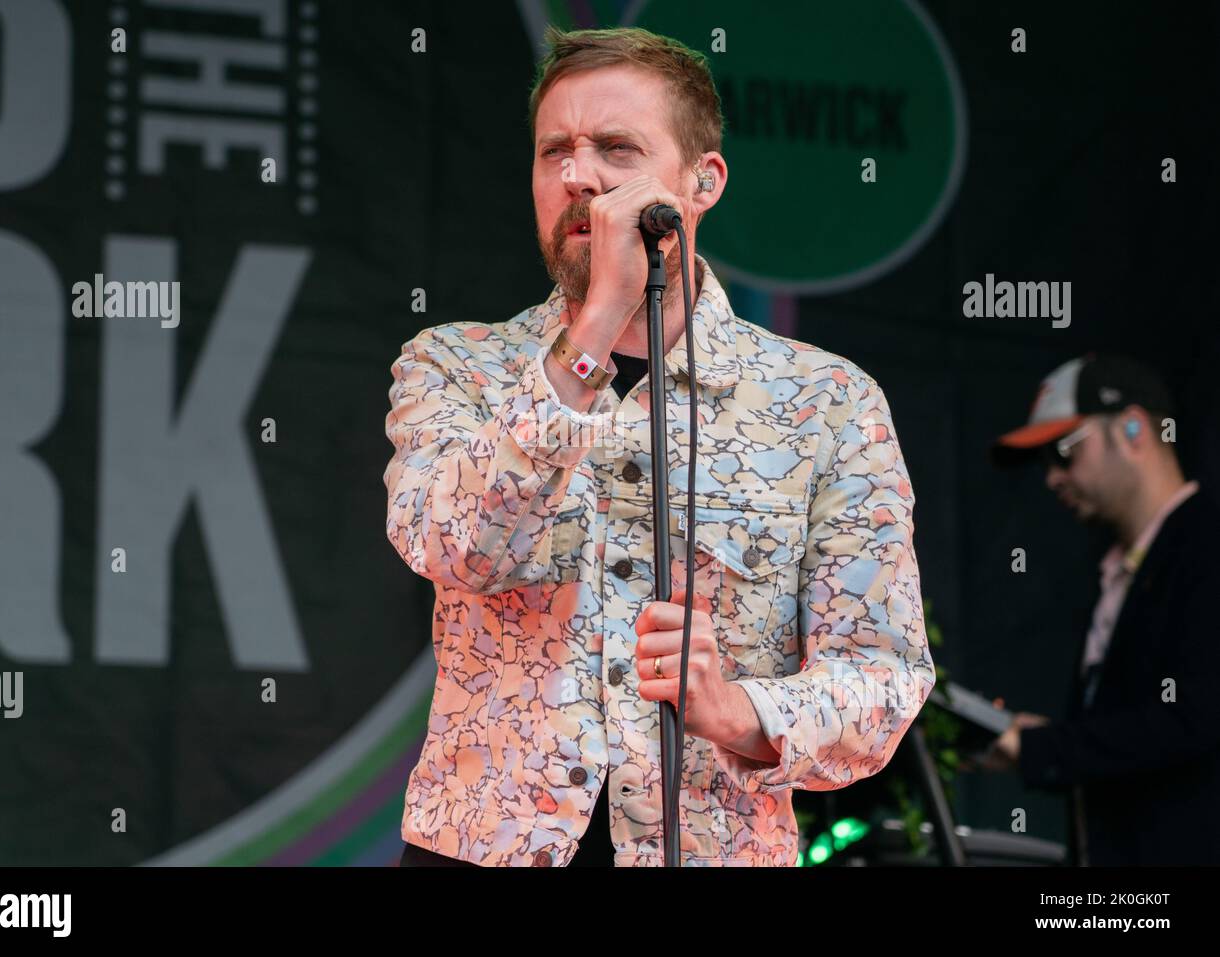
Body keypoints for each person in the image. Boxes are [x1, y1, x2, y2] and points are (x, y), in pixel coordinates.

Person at [384, 25, 935, 867]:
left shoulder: (828, 402)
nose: (579, 177)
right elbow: (453, 545)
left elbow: (884, 673)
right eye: (553, 152)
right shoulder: (455, 364)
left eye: (616, 148)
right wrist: (597, 325)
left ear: (701, 181)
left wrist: (736, 710)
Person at [984, 355, 1220, 865]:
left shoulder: (1206, 542)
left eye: (1064, 451)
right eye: (1044, 461)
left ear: (1133, 428)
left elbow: (1197, 717)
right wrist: (1042, 740)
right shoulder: (1122, 568)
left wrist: (1046, 748)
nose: (1052, 478)